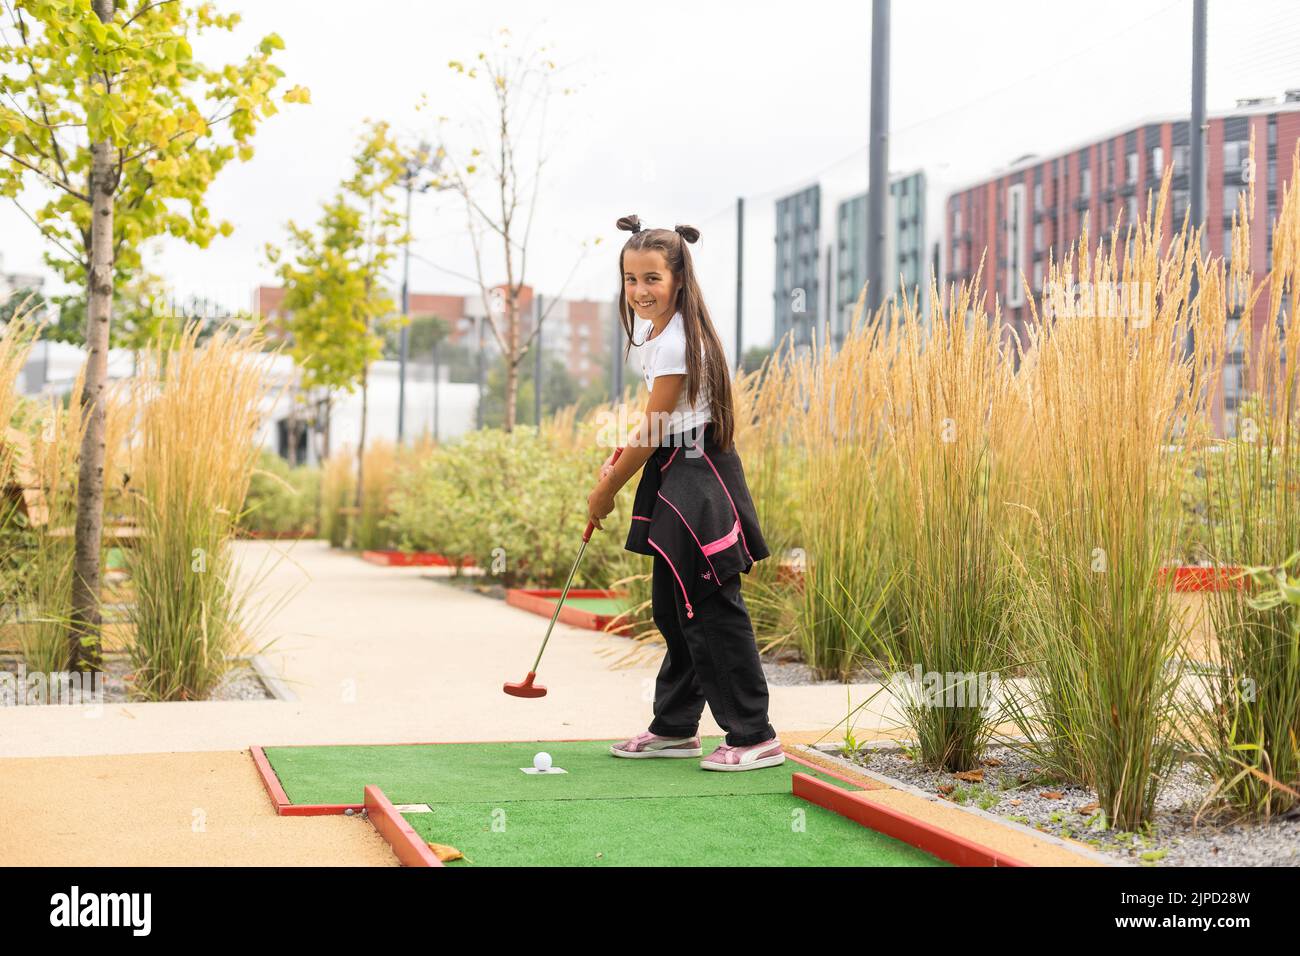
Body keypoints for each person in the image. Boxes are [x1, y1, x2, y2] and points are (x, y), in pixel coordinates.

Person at [585, 213, 783, 772]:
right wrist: (618, 462)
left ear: (677, 279)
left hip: (697, 475)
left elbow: (651, 431)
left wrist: (607, 492)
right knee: (677, 610)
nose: (640, 291)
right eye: (631, 279)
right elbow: (656, 425)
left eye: (652, 278)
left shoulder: (673, 342)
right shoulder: (657, 335)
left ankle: (754, 734)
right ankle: (675, 727)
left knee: (711, 609)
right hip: (676, 467)